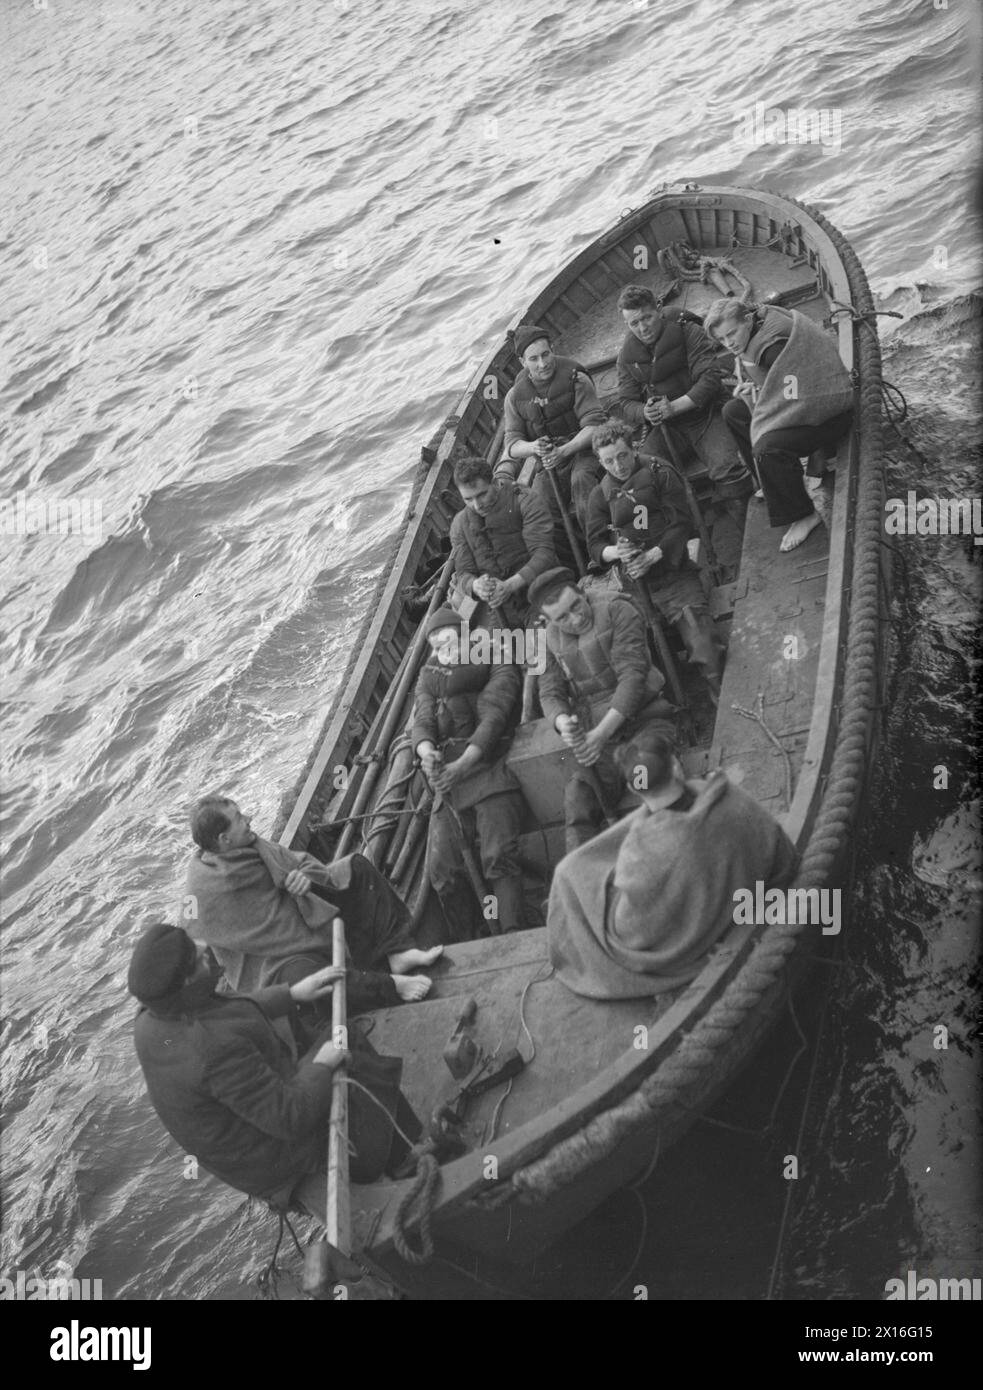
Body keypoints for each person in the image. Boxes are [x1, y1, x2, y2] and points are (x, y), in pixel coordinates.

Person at [130, 923, 419, 1209]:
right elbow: (290, 1117)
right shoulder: (213, 1050)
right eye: (196, 957)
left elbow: (221, 1009)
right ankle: (404, 1159)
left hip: (245, 1139)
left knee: (319, 1038)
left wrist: (290, 994)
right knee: (345, 1039)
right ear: (186, 985)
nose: (206, 947)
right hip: (275, 1158)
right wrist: (322, 1064)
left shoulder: (153, 1016)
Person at [547, 730, 798, 998]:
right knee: (572, 871)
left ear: (633, 788)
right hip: (733, 898)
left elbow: (631, 933)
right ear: (676, 767)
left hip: (685, 934)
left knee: (569, 876)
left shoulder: (640, 851)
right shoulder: (727, 797)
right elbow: (776, 846)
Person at [185, 798, 440, 1028]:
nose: (248, 819)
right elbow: (197, 939)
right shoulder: (203, 886)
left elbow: (303, 863)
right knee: (316, 980)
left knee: (356, 868)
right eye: (239, 819)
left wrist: (305, 880)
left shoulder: (253, 845)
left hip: (302, 918)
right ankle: (391, 986)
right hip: (272, 961)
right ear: (223, 839)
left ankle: (397, 951)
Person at [528, 567, 677, 853]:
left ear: (584, 593)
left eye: (577, 605)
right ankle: (586, 882)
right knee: (578, 798)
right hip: (599, 739)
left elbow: (633, 676)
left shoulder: (617, 610)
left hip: (644, 720)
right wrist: (563, 723)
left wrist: (598, 736)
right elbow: (549, 692)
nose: (576, 618)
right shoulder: (546, 639)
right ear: (549, 621)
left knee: (645, 773)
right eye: (563, 618)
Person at [412, 605, 527, 939]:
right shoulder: (429, 677)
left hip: (491, 768)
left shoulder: (496, 658)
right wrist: (427, 752)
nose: (442, 651)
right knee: (442, 872)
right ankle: (469, 938)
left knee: (498, 857)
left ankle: (512, 934)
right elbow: (422, 721)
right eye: (435, 645)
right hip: (448, 782)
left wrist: (461, 766)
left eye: (447, 641)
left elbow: (494, 717)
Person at [704, 297, 854, 552]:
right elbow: (785, 387)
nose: (729, 343)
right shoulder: (760, 323)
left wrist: (758, 403)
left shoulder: (771, 348)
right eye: (722, 339)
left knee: (767, 449)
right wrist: (758, 392)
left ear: (748, 320)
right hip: (805, 402)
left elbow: (798, 398)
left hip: (830, 412)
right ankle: (769, 482)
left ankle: (804, 514)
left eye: (732, 333)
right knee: (732, 412)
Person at [585, 419, 723, 695]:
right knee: (630, 660)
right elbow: (595, 544)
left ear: (634, 448)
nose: (618, 466)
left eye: (623, 456)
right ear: (601, 462)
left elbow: (683, 522)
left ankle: (718, 691)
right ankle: (667, 709)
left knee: (704, 644)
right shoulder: (599, 494)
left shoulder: (660, 472)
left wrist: (653, 555)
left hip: (675, 574)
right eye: (609, 461)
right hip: (634, 586)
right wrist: (616, 552)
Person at [616, 284, 753, 520]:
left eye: (646, 318)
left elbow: (710, 378)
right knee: (642, 480)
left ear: (658, 309)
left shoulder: (688, 330)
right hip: (668, 429)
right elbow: (626, 402)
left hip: (707, 415)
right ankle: (678, 536)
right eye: (634, 323)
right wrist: (646, 412)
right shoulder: (627, 356)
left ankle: (750, 527)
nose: (642, 328)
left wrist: (673, 407)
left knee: (728, 469)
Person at [500, 323, 607, 553]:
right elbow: (512, 445)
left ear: (553, 349)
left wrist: (565, 450)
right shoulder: (514, 398)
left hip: (585, 450)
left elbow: (595, 424)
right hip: (549, 463)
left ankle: (600, 548)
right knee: (537, 509)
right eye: (534, 359)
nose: (542, 363)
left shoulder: (576, 378)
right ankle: (572, 560)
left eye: (546, 354)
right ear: (522, 362)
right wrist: (533, 447)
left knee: (582, 482)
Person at [449, 452, 557, 628]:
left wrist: (509, 586)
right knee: (492, 654)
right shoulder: (459, 524)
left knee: (542, 647)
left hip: (543, 590)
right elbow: (463, 573)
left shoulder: (525, 500)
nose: (477, 505)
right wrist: (475, 585)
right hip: (502, 609)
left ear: (494, 483)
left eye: (482, 495)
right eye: (468, 499)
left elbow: (543, 553)